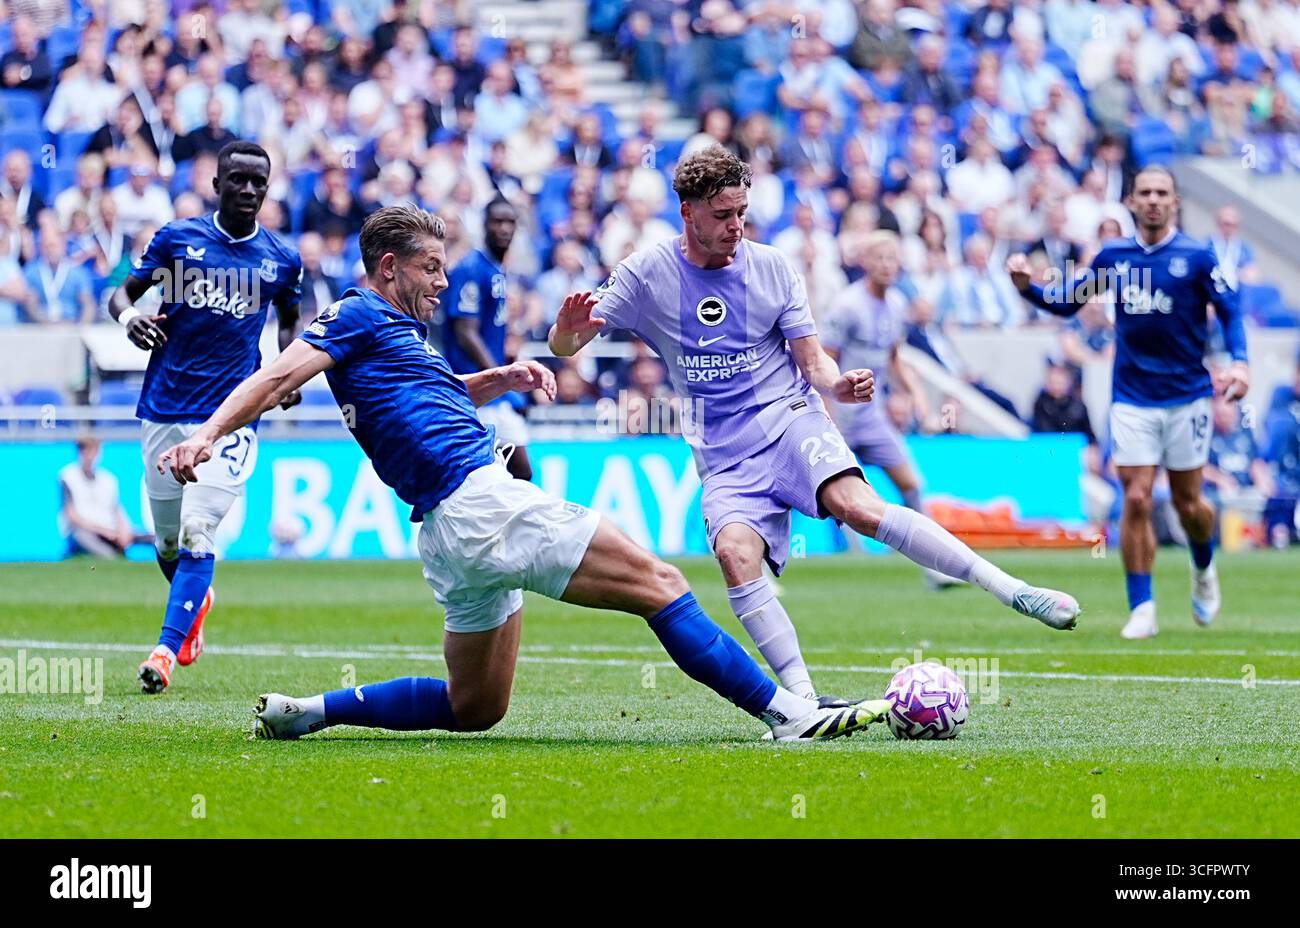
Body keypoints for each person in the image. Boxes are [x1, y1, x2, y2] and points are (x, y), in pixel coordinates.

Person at [157, 205, 884, 743]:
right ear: (388, 268)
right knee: (662, 586)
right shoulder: (356, 317)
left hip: (448, 532)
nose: (444, 281)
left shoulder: (394, 336)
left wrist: (495, 378)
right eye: (430, 267)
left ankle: (308, 712)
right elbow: (281, 370)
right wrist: (208, 436)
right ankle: (792, 715)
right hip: (479, 502)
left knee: (476, 708)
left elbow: (428, 397)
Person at [550, 146, 1080, 701]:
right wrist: (565, 332)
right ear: (688, 212)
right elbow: (568, 345)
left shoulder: (773, 268)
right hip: (722, 452)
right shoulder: (647, 273)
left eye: (742, 213)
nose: (736, 226)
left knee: (859, 507)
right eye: (722, 216)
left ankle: (1012, 588)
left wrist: (837, 385)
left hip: (790, 420)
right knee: (734, 554)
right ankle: (805, 700)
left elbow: (813, 361)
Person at [1007, 164, 1250, 639]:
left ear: (1175, 201)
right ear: (1132, 202)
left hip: (1187, 398)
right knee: (1135, 496)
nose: (1155, 199)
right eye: (1145, 193)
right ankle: (1142, 605)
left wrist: (1239, 362)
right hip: (1133, 397)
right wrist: (1027, 289)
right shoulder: (1114, 257)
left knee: (1189, 505)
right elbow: (1067, 301)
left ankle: (1203, 568)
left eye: (1163, 192)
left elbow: (1231, 309)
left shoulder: (1198, 256)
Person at [106, 141, 303, 694]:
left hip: (232, 414)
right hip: (164, 406)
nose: (247, 190)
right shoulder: (178, 240)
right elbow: (121, 294)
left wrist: (286, 379)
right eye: (237, 179)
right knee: (167, 544)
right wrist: (129, 321)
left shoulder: (281, 260)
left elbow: (289, 325)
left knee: (199, 529)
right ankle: (197, 600)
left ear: (268, 188)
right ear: (216, 183)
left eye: (257, 182)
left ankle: (165, 651)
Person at [822, 230, 960, 590]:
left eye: (892, 258)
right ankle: (845, 565)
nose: (886, 265)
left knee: (911, 484)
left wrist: (916, 395)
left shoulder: (897, 304)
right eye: (879, 258)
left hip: (873, 416)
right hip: (840, 416)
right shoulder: (847, 306)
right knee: (818, 494)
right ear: (865, 262)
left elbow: (894, 357)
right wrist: (826, 419)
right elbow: (826, 362)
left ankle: (935, 567)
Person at [435, 197, 534, 481]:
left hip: (496, 390)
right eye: (497, 221)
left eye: (510, 222)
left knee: (520, 474)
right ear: (484, 225)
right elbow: (465, 332)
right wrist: (504, 379)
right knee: (489, 477)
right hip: (476, 391)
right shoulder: (470, 268)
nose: (504, 229)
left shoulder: (495, 269)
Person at [60, 437, 137, 558]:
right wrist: (103, 531)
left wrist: (124, 531)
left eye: (93, 451)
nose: (90, 456)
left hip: (110, 531)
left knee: (153, 538)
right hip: (84, 531)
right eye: (85, 451)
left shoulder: (109, 479)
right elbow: (72, 515)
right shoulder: (68, 476)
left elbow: (116, 509)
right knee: (87, 541)